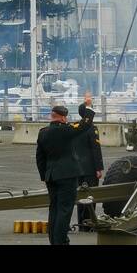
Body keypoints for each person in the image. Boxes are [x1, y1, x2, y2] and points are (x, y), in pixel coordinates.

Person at [35, 105, 92, 245]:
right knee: (64, 210)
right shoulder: (66, 130)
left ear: (52, 116)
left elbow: (40, 158)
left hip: (51, 176)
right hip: (67, 175)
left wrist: (45, 176)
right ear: (63, 117)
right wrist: (89, 107)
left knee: (54, 209)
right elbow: (84, 125)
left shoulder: (43, 132)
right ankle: (60, 241)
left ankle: (54, 240)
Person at [74, 91, 104, 231]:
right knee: (91, 196)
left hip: (77, 168)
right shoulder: (92, 129)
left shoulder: (74, 127)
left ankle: (81, 223)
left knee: (80, 197)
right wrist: (99, 168)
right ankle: (89, 223)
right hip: (90, 169)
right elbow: (95, 149)